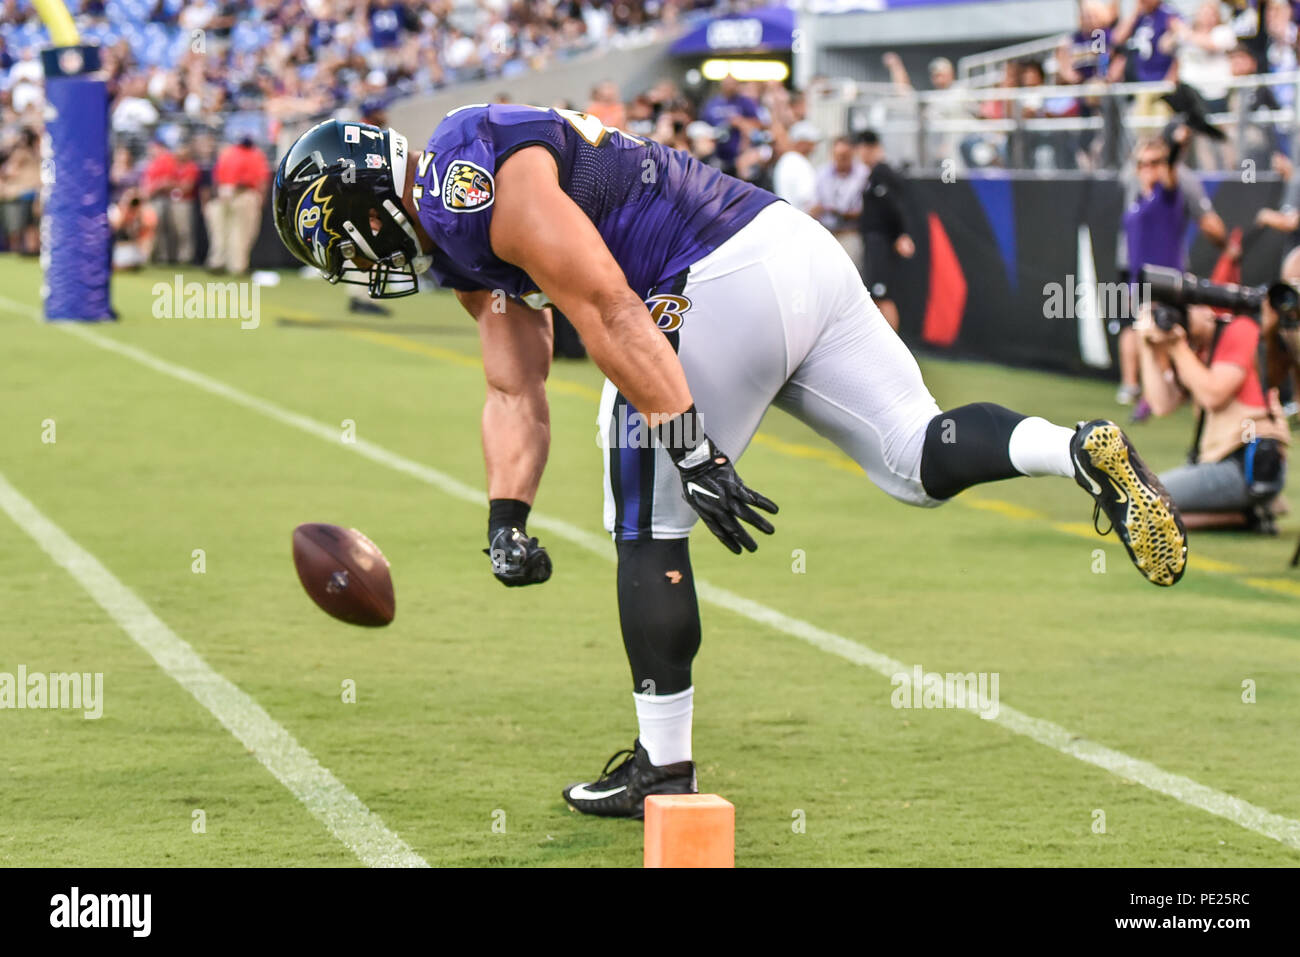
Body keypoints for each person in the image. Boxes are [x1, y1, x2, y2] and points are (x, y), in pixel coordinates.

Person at [271, 107, 1188, 819]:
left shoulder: (475, 193)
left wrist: (692, 444)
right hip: (790, 251)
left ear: (357, 214)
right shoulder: (462, 219)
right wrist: (505, 517)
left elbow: (612, 310)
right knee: (915, 451)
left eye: (334, 244)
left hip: (709, 280)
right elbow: (516, 388)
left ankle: (663, 768)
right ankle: (1076, 450)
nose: (349, 264)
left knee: (648, 516)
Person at [1133, 250, 1294, 521]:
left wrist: (1176, 346)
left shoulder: (1239, 329)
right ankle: (1248, 516)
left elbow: (1213, 395)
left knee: (1145, 499)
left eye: (1187, 305)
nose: (1180, 313)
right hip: (1224, 464)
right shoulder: (1194, 351)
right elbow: (1162, 404)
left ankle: (1250, 513)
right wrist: (1147, 343)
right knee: (1151, 512)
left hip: (1250, 464)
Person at [1115, 135, 1226, 406]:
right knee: (1150, 340)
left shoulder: (1168, 196)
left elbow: (1172, 180)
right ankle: (1152, 393)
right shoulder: (1139, 199)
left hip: (1166, 284)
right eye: (1141, 163)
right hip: (1141, 285)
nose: (1147, 169)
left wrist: (1177, 146)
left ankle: (1180, 392)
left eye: (1154, 163)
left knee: (1172, 339)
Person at [857, 129, 915, 332]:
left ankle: (893, 350)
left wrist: (902, 234)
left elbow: (896, 206)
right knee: (875, 296)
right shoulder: (875, 173)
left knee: (882, 296)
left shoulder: (882, 173)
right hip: (875, 241)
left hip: (881, 242)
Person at [206, 136, 269, 274]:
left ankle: (217, 262)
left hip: (223, 192)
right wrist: (262, 199)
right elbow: (262, 180)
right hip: (244, 193)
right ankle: (237, 266)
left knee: (221, 232)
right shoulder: (256, 155)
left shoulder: (227, 153)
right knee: (242, 233)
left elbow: (215, 178)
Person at [810, 135, 869, 270]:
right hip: (826, 234)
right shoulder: (822, 174)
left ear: (853, 153)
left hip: (850, 233)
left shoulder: (863, 175)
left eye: (845, 156)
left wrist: (839, 212)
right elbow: (813, 204)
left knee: (849, 273)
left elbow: (865, 211)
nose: (841, 160)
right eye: (838, 155)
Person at [770, 120, 820, 214]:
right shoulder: (799, 163)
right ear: (801, 143)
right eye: (811, 143)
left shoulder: (785, 160)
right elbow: (808, 201)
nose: (814, 148)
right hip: (801, 220)